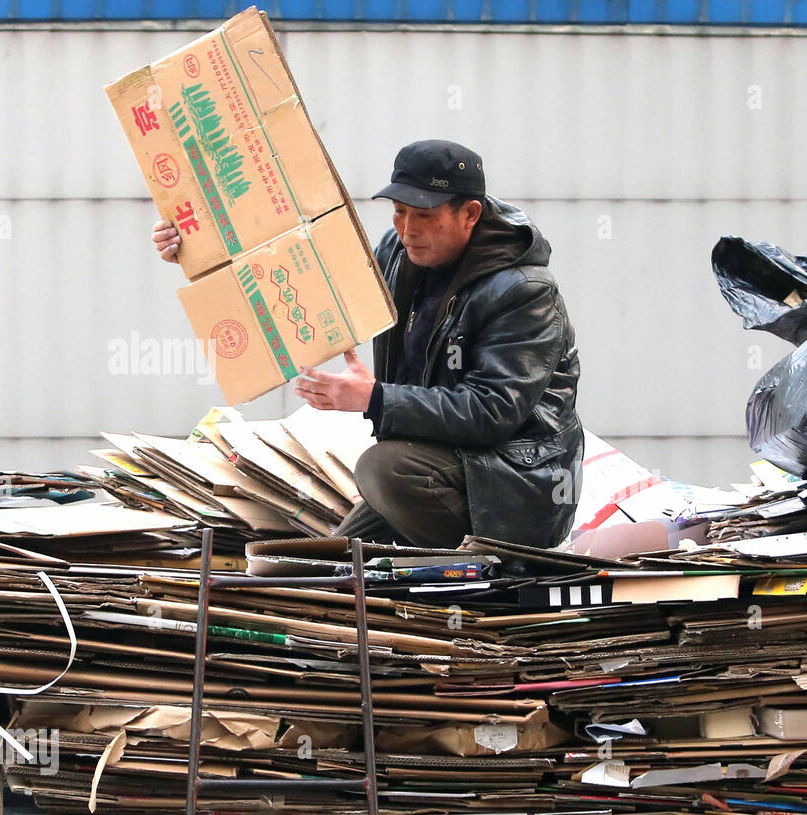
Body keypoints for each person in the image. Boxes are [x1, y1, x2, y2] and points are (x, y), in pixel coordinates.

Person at [151, 139, 582, 549]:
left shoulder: (525, 292)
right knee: (316, 568)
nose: (408, 229)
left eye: (425, 217)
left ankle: (484, 565)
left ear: (470, 214)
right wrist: (197, 248)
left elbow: (491, 412)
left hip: (511, 489)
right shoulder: (399, 252)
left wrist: (375, 398)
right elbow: (304, 291)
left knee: (381, 469)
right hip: (437, 469)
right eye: (398, 212)